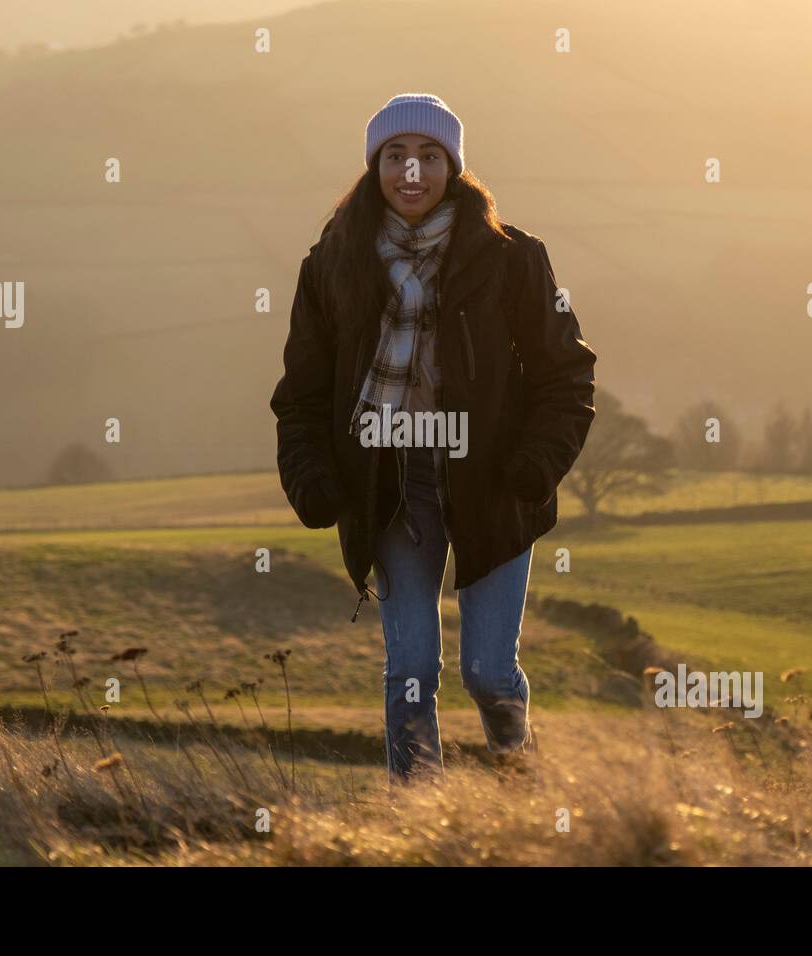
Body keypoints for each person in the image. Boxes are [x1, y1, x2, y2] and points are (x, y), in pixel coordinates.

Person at [270, 93, 596, 782]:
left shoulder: (513, 258)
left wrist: (535, 466)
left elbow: (566, 374)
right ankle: (420, 824)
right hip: (388, 487)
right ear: (374, 167)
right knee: (411, 671)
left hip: (493, 482)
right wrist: (314, 481)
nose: (411, 171)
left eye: (428, 156)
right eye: (395, 156)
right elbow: (299, 397)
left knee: (488, 670)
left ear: (453, 166)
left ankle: (523, 802)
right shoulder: (330, 265)